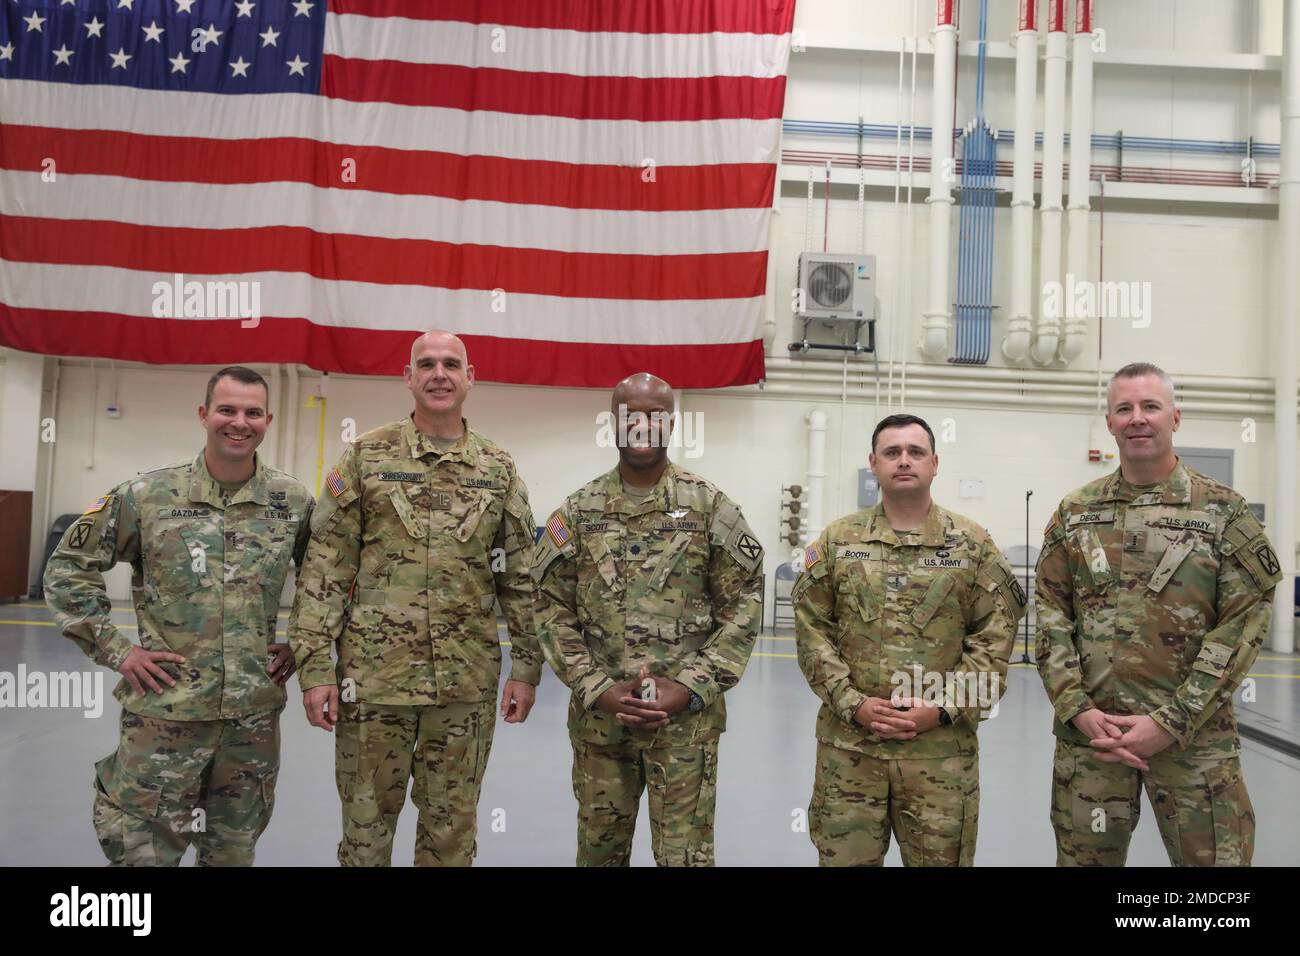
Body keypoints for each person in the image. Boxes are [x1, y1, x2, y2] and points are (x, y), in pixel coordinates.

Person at [288, 330, 541, 866]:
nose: (439, 373)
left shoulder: (498, 469)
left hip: (464, 688)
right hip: (373, 684)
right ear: (408, 378)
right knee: (365, 833)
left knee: (451, 836)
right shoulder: (366, 457)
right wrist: (315, 670)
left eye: (452, 364)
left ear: (471, 378)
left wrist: (527, 668)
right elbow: (325, 570)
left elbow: (520, 578)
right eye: (426, 364)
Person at [44, 366, 312, 866]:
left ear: (268, 419)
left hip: (249, 725)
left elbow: (328, 579)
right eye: (227, 409)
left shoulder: (291, 501)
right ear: (204, 414)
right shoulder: (147, 496)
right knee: (142, 854)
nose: (239, 422)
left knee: (232, 853)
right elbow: (68, 569)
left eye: (252, 412)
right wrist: (117, 650)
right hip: (166, 716)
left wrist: (301, 639)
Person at [1036, 362, 1278, 866]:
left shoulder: (1224, 512)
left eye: (1150, 406)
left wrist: (1172, 721)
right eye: (1124, 408)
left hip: (1194, 744)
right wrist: (1077, 709)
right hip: (1092, 742)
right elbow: (1051, 615)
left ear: (1175, 417)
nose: (1137, 418)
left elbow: (1242, 625)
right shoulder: (1075, 512)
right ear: (1109, 423)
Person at [533, 373, 763, 866]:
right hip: (602, 724)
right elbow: (551, 610)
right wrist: (597, 686)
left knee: (685, 858)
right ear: (612, 423)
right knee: (599, 853)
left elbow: (743, 608)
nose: (642, 425)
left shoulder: (710, 509)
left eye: (654, 415)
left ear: (671, 424)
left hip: (685, 727)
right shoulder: (578, 511)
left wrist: (691, 685)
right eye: (630, 414)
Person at [792, 413, 1025, 866]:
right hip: (851, 750)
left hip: (939, 756)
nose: (904, 460)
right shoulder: (839, 541)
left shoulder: (972, 545)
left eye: (916, 452)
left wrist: (940, 709)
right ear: (873, 464)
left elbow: (994, 642)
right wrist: (852, 702)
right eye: (892, 452)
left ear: (935, 463)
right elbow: (811, 631)